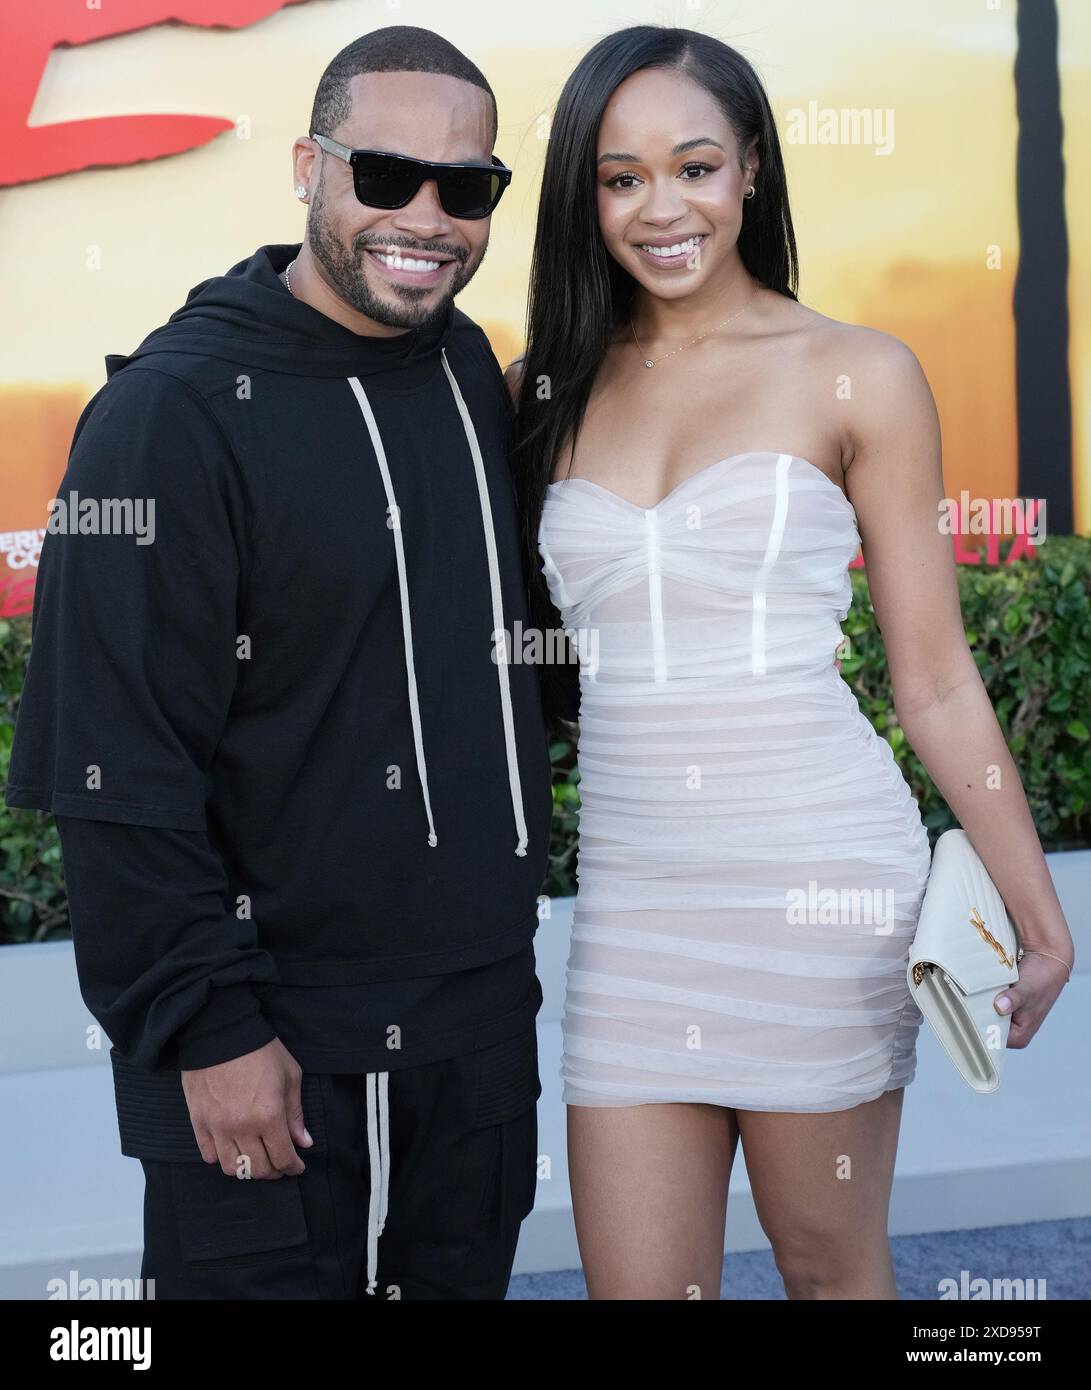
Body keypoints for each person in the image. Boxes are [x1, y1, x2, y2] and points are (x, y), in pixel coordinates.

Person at [507, 25, 1075, 1301]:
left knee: (830, 1274)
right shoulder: (543, 387)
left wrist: (1037, 914)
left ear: (750, 170)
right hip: (635, 917)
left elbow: (930, 678)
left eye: (694, 165)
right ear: (583, 195)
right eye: (620, 177)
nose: (662, 208)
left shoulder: (858, 375)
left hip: (819, 899)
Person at [6, 25, 553, 1301]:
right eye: (384, 175)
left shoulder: (465, 366)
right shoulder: (169, 416)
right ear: (309, 165)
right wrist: (207, 1028)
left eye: (464, 188)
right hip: (276, 1035)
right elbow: (113, 759)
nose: (426, 217)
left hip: (476, 1023)